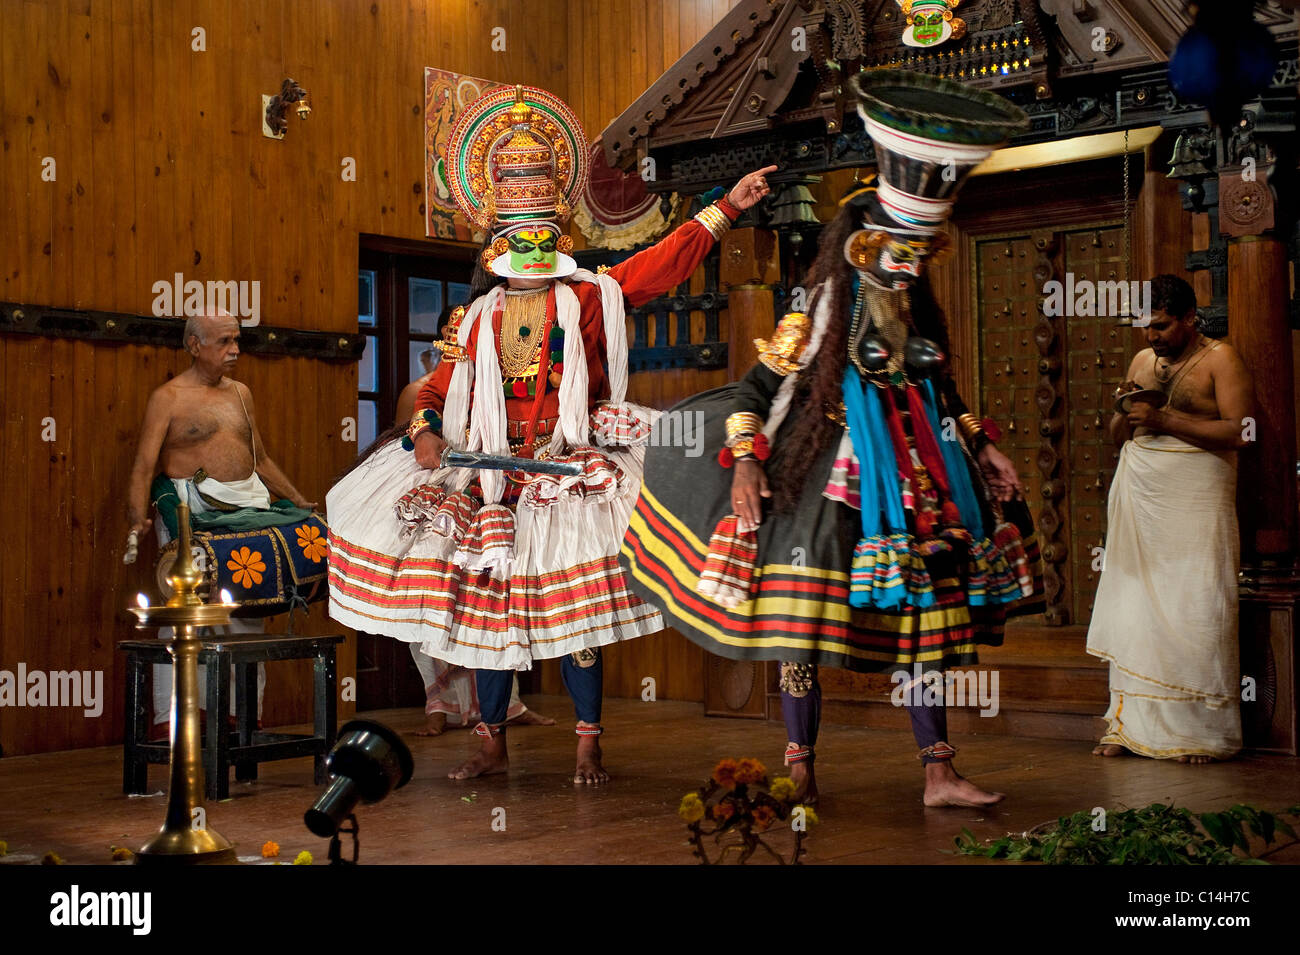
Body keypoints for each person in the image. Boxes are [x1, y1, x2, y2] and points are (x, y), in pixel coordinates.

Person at [326, 83, 775, 783]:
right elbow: (438, 393)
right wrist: (424, 435)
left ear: (560, 238)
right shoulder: (474, 320)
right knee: (485, 618)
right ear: (497, 244)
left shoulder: (589, 299)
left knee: (582, 621)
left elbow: (654, 268)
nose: (532, 248)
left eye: (543, 237)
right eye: (519, 238)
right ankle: (491, 742)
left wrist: (724, 209)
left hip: (571, 467)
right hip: (490, 475)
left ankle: (588, 741)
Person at [621, 70, 1039, 807]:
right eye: (898, 253)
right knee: (800, 629)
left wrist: (978, 442)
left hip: (919, 481)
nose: (909, 266)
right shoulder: (814, 312)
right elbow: (754, 391)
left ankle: (938, 772)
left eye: (920, 254)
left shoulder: (914, 314)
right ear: (861, 250)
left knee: (927, 620)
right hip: (826, 477)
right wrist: (748, 463)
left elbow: (939, 394)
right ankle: (802, 765)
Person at [1087, 274, 1254, 764]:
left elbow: (1243, 432)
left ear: (1189, 319)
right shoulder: (1143, 361)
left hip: (1197, 491)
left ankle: (1198, 733)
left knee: (1196, 600)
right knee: (1134, 600)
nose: (1152, 337)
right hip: (1143, 489)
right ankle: (1128, 725)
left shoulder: (1221, 359)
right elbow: (1121, 434)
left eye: (1161, 327)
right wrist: (1125, 411)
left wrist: (1167, 421)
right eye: (1145, 327)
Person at [126, 310, 317, 728]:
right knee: (185, 615)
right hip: (190, 511)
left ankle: (239, 715)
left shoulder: (241, 393)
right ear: (194, 345)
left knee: (248, 609)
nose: (234, 351)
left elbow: (260, 459)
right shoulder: (169, 398)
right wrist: (138, 517)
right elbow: (143, 465)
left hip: (248, 508)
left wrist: (299, 499)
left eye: (237, 341)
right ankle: (168, 718)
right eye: (224, 342)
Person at [391, 366, 554, 736]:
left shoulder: (495, 384)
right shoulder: (416, 393)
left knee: (493, 597)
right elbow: (405, 451)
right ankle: (440, 706)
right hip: (439, 500)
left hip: (488, 494)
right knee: (435, 599)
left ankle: (507, 706)